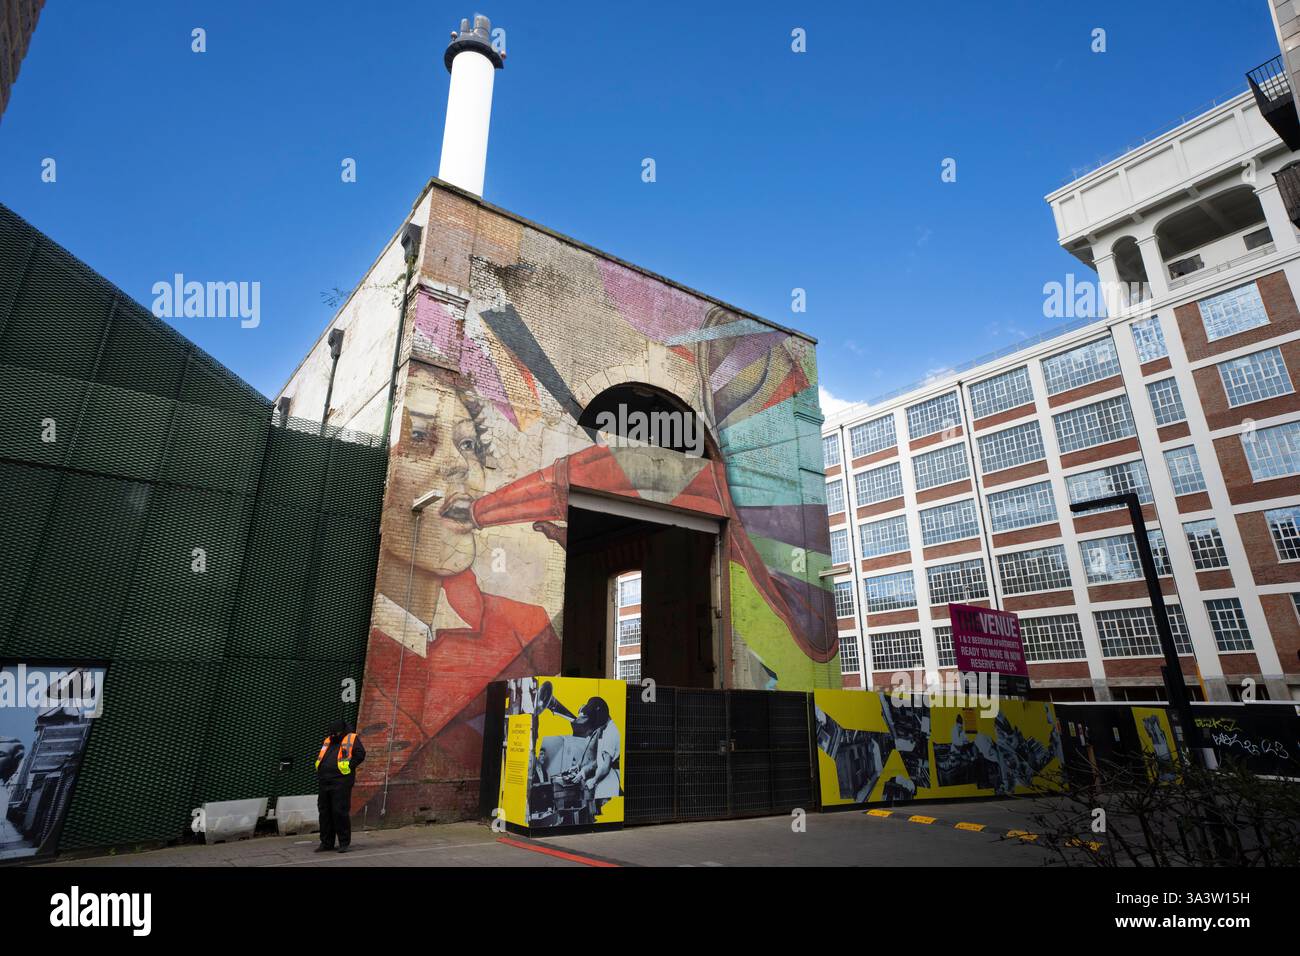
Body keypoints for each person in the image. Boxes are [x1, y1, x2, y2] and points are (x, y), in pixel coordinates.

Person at [315, 720, 365, 853]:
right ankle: (326, 843)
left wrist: (349, 766)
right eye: (331, 732)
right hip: (324, 780)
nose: (333, 735)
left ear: (342, 731)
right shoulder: (329, 740)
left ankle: (344, 842)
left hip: (341, 781)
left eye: (335, 732)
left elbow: (360, 754)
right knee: (324, 812)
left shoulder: (351, 738)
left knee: (339, 811)